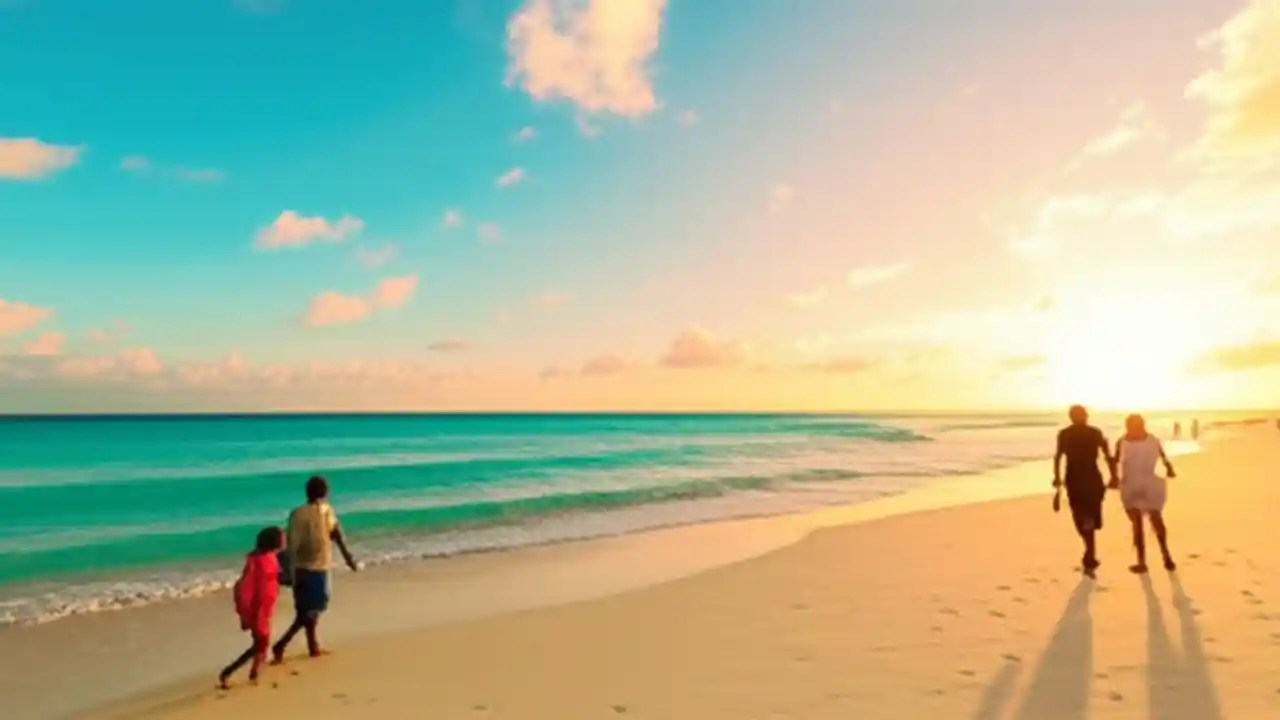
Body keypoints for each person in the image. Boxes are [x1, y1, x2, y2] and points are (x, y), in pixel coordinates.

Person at [272, 476, 359, 662]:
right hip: (318, 566)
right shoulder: (326, 511)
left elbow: (290, 542)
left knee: (305, 610)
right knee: (313, 609)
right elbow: (337, 535)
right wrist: (348, 558)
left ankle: (312, 646)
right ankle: (282, 644)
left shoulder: (296, 513)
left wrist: (287, 569)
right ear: (325, 493)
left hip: (298, 567)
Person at [1054, 405, 1116, 574]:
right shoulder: (1092, 433)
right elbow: (1107, 455)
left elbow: (1058, 456)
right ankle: (1090, 553)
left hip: (1076, 478)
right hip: (1087, 478)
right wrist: (1113, 476)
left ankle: (1089, 552)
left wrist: (1057, 477)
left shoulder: (1067, 434)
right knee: (1087, 517)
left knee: (1082, 516)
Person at [221, 526, 286, 689]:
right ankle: (229, 672)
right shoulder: (255, 560)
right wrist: (245, 611)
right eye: (281, 538)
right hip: (257, 608)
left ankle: (255, 672)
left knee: (262, 643)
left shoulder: (272, 556)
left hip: (267, 607)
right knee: (261, 643)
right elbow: (245, 587)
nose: (284, 540)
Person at [1115, 414, 1177, 574]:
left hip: (1134, 485)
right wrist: (1169, 468)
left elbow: (1115, 462)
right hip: (1146, 483)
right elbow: (1163, 457)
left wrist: (1114, 479)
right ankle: (1165, 557)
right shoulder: (1150, 440)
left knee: (1141, 523)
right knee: (1154, 520)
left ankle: (1149, 560)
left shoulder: (1122, 441)